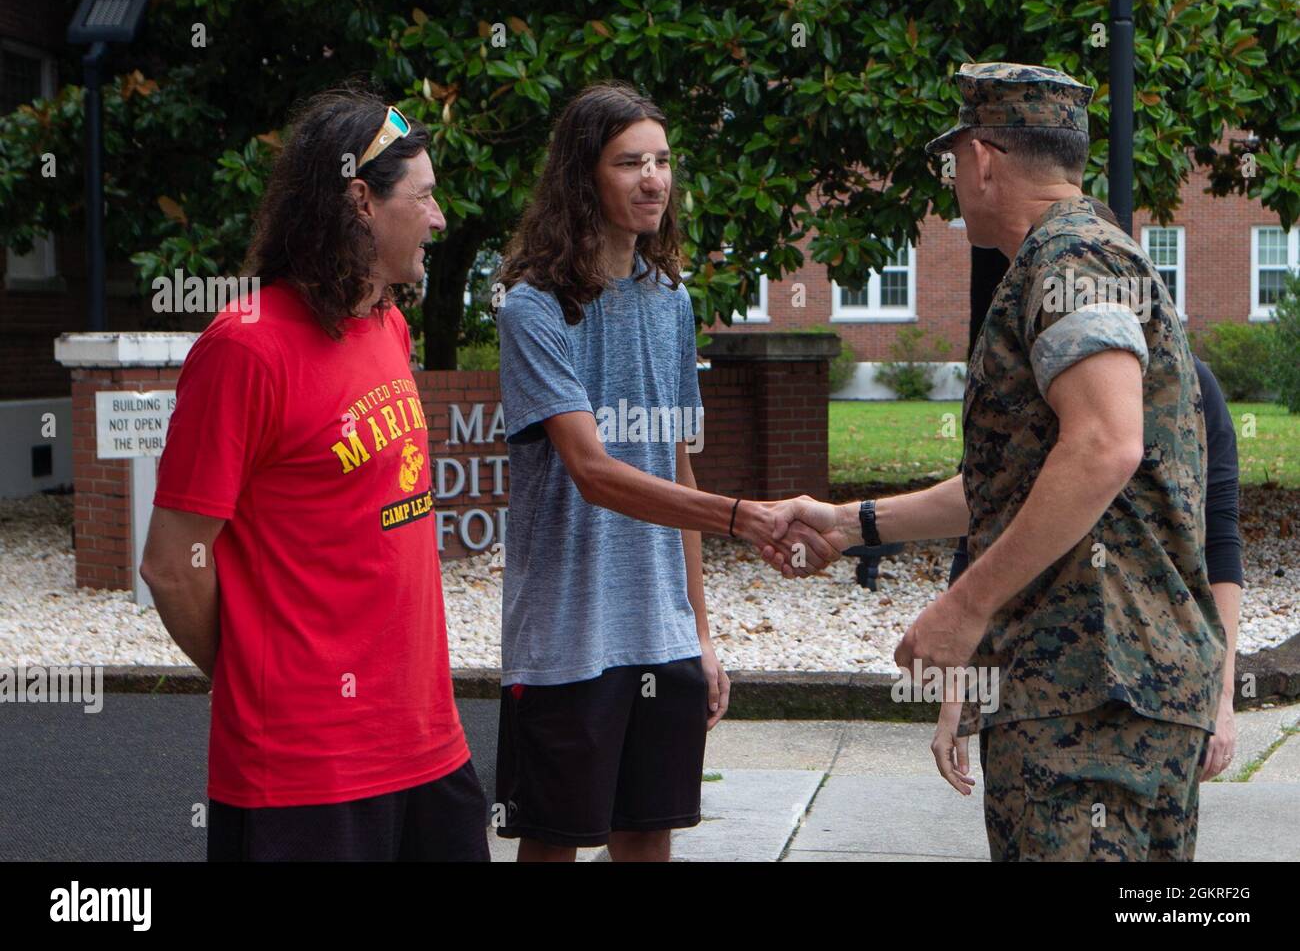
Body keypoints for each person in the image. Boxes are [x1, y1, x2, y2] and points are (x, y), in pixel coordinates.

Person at [772, 63, 1225, 860]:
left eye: (953, 162)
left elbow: (1103, 446)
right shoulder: (1086, 254)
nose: (953, 182)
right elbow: (1021, 481)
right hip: (1111, 688)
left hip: (1091, 691)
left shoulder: (1071, 262)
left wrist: (966, 605)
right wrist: (851, 524)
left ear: (983, 159)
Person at [141, 86, 489, 861]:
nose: (439, 218)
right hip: (305, 776)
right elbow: (172, 565)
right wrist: (258, 680)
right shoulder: (246, 348)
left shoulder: (386, 322)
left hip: (429, 745)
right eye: (425, 198)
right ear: (361, 201)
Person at [492, 81, 835, 862]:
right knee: (553, 842)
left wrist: (700, 631)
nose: (653, 179)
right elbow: (591, 468)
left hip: (659, 628)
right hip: (567, 631)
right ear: (584, 178)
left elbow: (676, 453)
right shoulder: (533, 308)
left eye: (662, 161)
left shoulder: (670, 298)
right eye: (629, 163)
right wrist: (740, 515)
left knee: (648, 837)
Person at [944, 196, 1244, 784]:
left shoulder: (1190, 387)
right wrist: (960, 680)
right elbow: (988, 515)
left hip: (1147, 686)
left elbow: (1220, 538)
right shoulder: (1041, 375)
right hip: (1037, 680)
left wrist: (1223, 694)